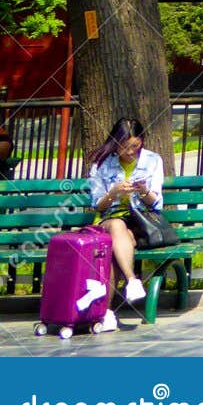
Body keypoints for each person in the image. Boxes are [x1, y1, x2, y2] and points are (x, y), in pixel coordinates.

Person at [86, 118, 164, 308]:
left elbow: (157, 205)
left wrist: (144, 191)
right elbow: (98, 205)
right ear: (115, 143)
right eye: (124, 147)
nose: (130, 152)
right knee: (116, 225)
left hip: (140, 223)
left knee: (114, 250)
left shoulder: (152, 160)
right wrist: (114, 193)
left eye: (135, 146)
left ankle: (105, 313)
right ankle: (132, 280)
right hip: (108, 220)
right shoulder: (102, 164)